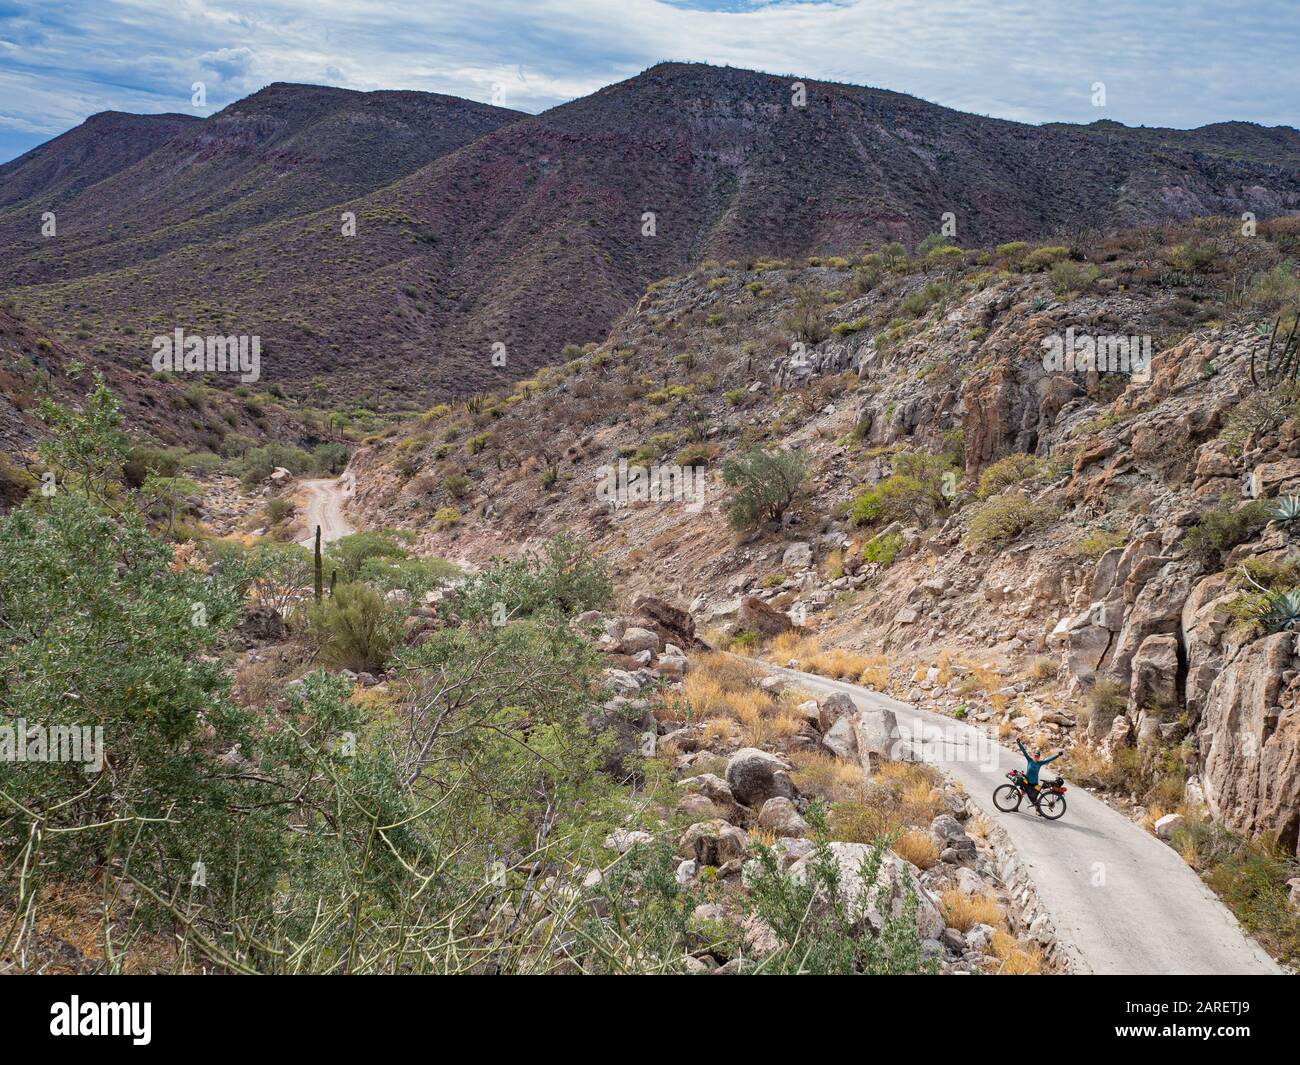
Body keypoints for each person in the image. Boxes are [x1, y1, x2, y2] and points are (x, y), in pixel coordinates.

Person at [1017, 739, 1062, 814]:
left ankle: (1037, 810)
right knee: (1021, 794)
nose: (1036, 757)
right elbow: (1024, 751)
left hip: (1035, 783)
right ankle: (1016, 807)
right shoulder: (1029, 760)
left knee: (1035, 797)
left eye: (1037, 756)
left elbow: (1049, 759)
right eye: (1035, 756)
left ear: (1039, 757)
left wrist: (1057, 755)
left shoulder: (1040, 763)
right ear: (1033, 756)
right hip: (1027, 781)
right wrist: (1019, 743)